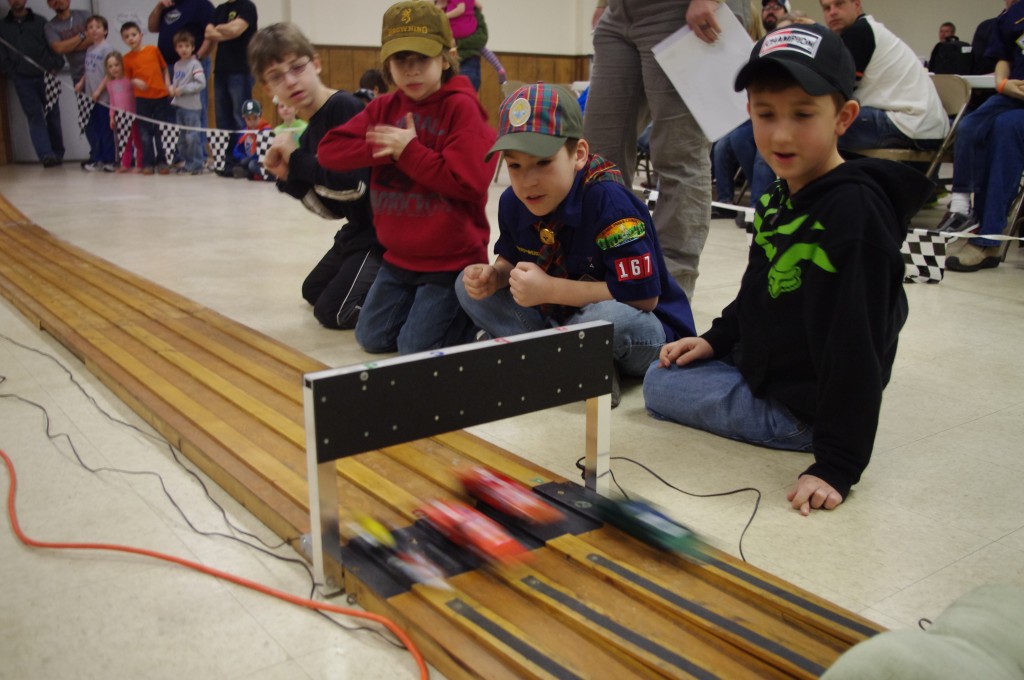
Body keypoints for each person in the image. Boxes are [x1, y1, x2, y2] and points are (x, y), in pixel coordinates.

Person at [643, 24, 933, 515]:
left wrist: (836, 463)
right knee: (671, 364)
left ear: (844, 118)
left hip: (803, 409)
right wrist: (716, 339)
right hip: (774, 362)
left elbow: (856, 342)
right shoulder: (784, 190)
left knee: (657, 383)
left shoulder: (853, 215)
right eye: (764, 114)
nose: (780, 134)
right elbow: (757, 288)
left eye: (802, 115)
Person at [457, 83, 696, 407]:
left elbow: (643, 297)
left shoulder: (610, 203)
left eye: (542, 162)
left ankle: (551, 359)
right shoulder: (514, 201)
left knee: (610, 317)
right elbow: (510, 258)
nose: (528, 180)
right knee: (464, 285)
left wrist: (550, 289)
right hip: (560, 321)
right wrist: (495, 276)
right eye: (515, 165)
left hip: (642, 330)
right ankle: (570, 364)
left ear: (578, 155)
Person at [318, 1, 497, 354]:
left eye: (422, 59)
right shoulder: (385, 108)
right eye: (401, 61)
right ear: (387, 64)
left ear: (446, 58)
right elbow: (330, 150)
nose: (412, 70)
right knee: (370, 338)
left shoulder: (461, 108)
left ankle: (475, 318)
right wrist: (385, 146)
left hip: (451, 262)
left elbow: (469, 181)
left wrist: (410, 152)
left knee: (414, 349)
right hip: (397, 258)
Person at [585, 0, 752, 300]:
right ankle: (612, 279)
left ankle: (670, 300)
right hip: (620, 12)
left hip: (679, 10)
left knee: (678, 157)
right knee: (599, 160)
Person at [253, 22, 383, 331]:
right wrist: (290, 179)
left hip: (381, 237)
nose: (290, 81)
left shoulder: (345, 108)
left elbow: (355, 187)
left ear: (316, 63)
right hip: (357, 230)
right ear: (268, 89)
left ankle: (399, 302)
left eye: (297, 68)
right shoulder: (310, 132)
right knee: (312, 291)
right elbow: (333, 209)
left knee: (333, 312)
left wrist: (298, 160)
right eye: (276, 77)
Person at [935, 0, 1024, 271]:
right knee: (971, 126)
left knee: (1005, 128)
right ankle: (963, 208)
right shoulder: (1013, 15)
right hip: (1013, 93)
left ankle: (990, 237)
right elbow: (1003, 60)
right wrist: (1002, 83)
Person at [819, 0, 948, 153]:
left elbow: (838, 89)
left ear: (856, 4)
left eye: (839, 4)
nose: (832, 12)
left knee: (817, 124)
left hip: (911, 124)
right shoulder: (868, 29)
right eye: (826, 8)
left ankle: (786, 177)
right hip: (925, 126)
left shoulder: (859, 32)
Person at [148, 0, 214, 164]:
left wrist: (197, 57)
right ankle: (178, 156)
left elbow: (210, 34)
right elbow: (152, 27)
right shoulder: (167, 5)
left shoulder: (201, 4)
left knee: (196, 110)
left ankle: (199, 156)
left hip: (192, 64)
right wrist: (158, 7)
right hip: (169, 66)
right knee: (172, 111)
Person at [0, 0, 66, 167]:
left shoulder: (40, 21)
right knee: (35, 116)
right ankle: (46, 155)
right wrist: (12, 72)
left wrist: (54, 65)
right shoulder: (2, 26)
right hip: (22, 79)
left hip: (46, 75)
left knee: (53, 115)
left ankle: (58, 153)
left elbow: (53, 45)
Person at [205, 0, 257, 175]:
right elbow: (208, 33)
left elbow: (237, 30)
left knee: (240, 117)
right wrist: (226, 30)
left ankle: (243, 160)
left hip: (240, 70)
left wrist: (219, 29)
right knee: (223, 119)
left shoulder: (247, 7)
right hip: (220, 70)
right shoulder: (220, 9)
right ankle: (226, 160)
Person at [121, 21, 173, 175]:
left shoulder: (153, 50)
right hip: (142, 99)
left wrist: (168, 84)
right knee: (144, 132)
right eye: (126, 37)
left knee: (161, 131)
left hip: (160, 97)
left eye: (133, 35)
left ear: (141, 35)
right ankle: (148, 162)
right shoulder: (127, 59)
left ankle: (163, 161)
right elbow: (127, 78)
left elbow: (164, 69)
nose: (131, 38)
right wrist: (134, 81)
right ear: (123, 40)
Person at [75, 14, 114, 172]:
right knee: (95, 128)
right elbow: (88, 69)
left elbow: (110, 73)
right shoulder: (90, 48)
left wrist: (98, 90)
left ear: (105, 31)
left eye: (98, 27)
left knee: (106, 129)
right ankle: (98, 158)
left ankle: (110, 160)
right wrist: (81, 82)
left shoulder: (107, 48)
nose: (94, 30)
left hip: (103, 97)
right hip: (90, 97)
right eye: (90, 27)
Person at [168, 29, 206, 174]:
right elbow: (176, 81)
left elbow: (200, 83)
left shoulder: (195, 64)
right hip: (179, 106)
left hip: (192, 107)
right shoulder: (177, 65)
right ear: (176, 48)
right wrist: (172, 88)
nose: (183, 49)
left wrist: (182, 90)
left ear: (192, 47)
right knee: (182, 138)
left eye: (186, 46)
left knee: (192, 137)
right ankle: (187, 162)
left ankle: (196, 164)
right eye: (180, 46)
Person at [102, 51, 142, 172]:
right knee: (124, 141)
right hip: (121, 116)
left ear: (122, 64)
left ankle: (139, 164)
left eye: (117, 65)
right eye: (110, 66)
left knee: (137, 140)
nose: (114, 68)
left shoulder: (129, 80)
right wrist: (111, 117)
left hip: (134, 115)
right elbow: (112, 102)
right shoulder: (110, 84)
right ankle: (125, 164)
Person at [44, 0, 90, 87]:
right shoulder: (50, 26)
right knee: (84, 101)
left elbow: (94, 38)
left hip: (100, 73)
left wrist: (68, 47)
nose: (56, 1)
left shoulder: (84, 15)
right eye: (51, 0)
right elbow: (59, 49)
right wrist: (82, 35)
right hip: (78, 76)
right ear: (49, 4)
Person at [231, 98, 269, 179]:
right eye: (248, 119)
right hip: (248, 159)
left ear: (261, 115)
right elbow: (236, 150)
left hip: (263, 162)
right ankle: (251, 173)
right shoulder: (245, 132)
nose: (252, 122)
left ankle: (265, 175)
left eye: (255, 118)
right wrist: (242, 157)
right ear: (244, 118)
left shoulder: (266, 131)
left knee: (252, 165)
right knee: (241, 162)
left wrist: (250, 159)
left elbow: (267, 153)